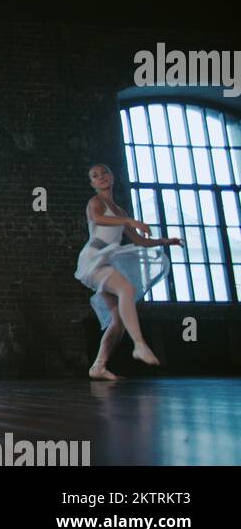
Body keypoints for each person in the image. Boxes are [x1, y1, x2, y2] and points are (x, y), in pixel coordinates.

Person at [74, 163, 181, 381]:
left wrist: (165, 241)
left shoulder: (120, 211)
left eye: (105, 173)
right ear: (92, 183)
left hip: (106, 262)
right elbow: (97, 219)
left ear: (112, 177)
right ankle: (140, 345)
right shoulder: (96, 202)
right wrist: (129, 220)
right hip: (93, 259)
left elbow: (139, 240)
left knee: (118, 321)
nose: (101, 177)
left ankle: (98, 366)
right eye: (95, 176)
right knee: (127, 289)